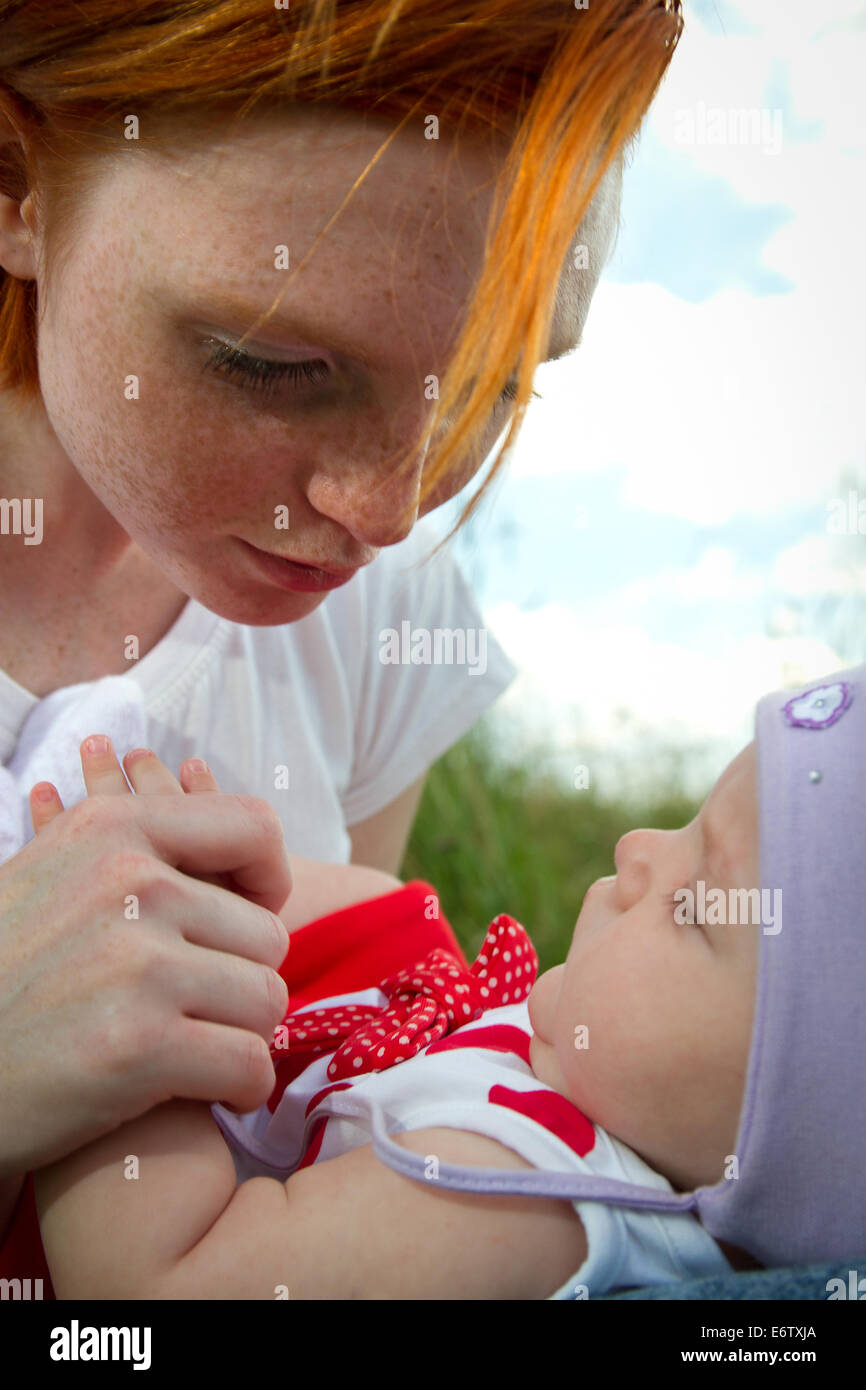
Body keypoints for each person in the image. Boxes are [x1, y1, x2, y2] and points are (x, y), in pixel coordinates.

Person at [0, 0, 683, 1276]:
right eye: (268, 361)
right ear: (17, 185)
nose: (381, 510)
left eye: (489, 382)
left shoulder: (379, 619)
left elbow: (325, 1082)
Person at [31, 664, 865, 1298]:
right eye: (687, 819)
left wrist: (128, 1020)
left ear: (767, 1140)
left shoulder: (519, 1199)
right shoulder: (593, 1096)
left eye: (694, 906)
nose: (637, 847)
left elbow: (157, 1289)